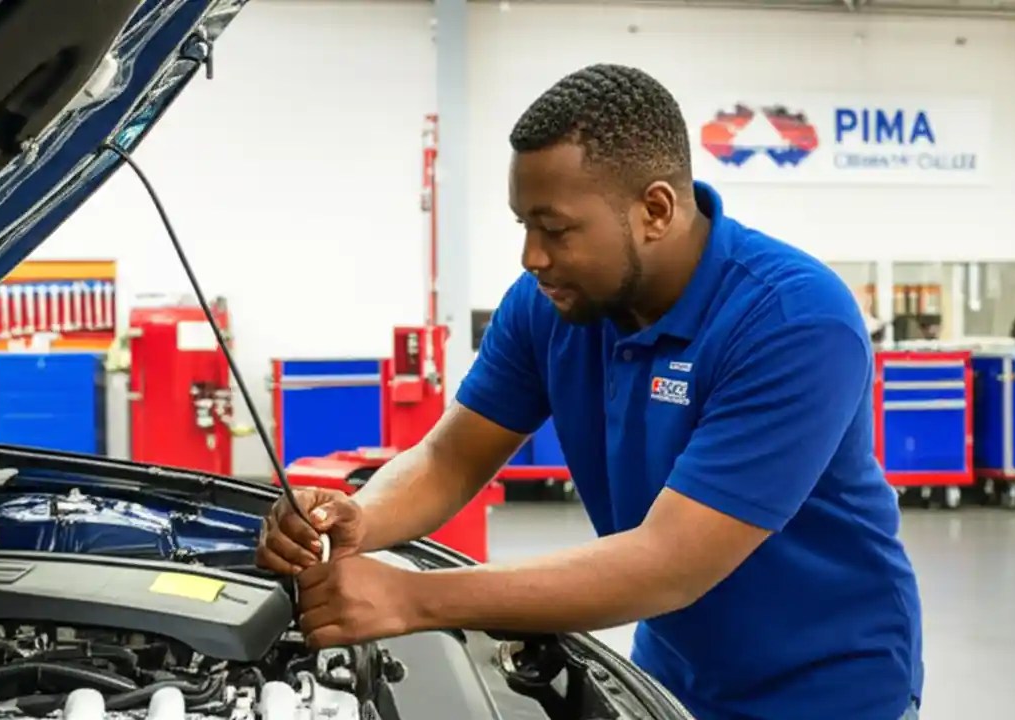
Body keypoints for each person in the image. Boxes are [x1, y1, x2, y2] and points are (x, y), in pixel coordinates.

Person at [256, 63, 924, 720]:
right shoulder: (549, 307)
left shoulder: (792, 321)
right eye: (523, 225)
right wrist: (359, 520)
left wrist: (414, 597)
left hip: (827, 689)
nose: (531, 257)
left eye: (556, 229)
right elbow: (450, 459)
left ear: (655, 210)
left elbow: (670, 563)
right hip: (670, 670)